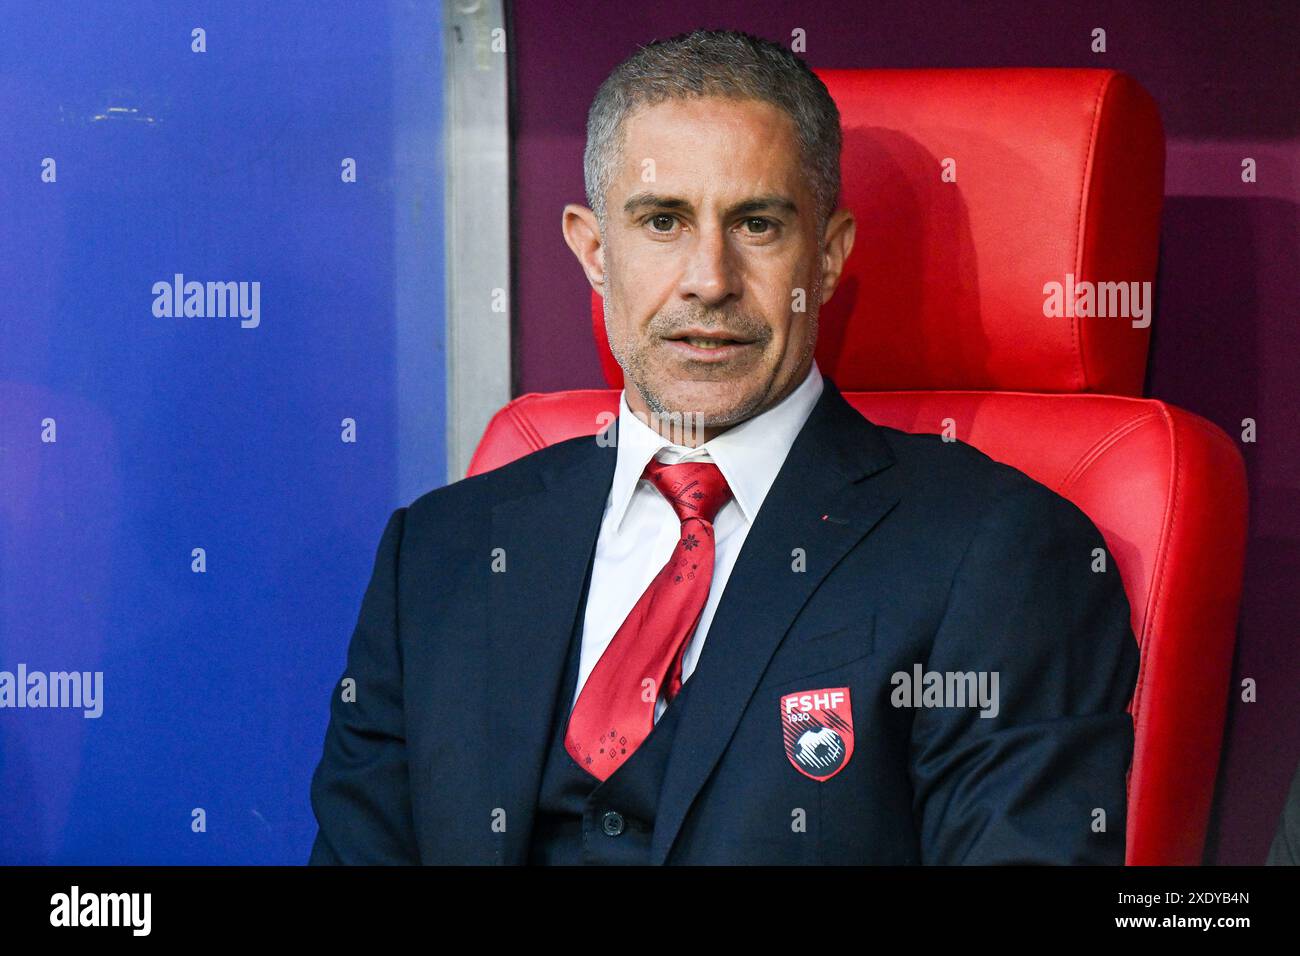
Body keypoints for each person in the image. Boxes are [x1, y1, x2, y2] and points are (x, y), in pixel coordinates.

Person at [308, 29, 1140, 865]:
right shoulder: (440, 551)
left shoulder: (998, 551)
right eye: (662, 221)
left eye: (757, 224)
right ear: (595, 252)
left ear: (829, 251)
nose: (711, 277)